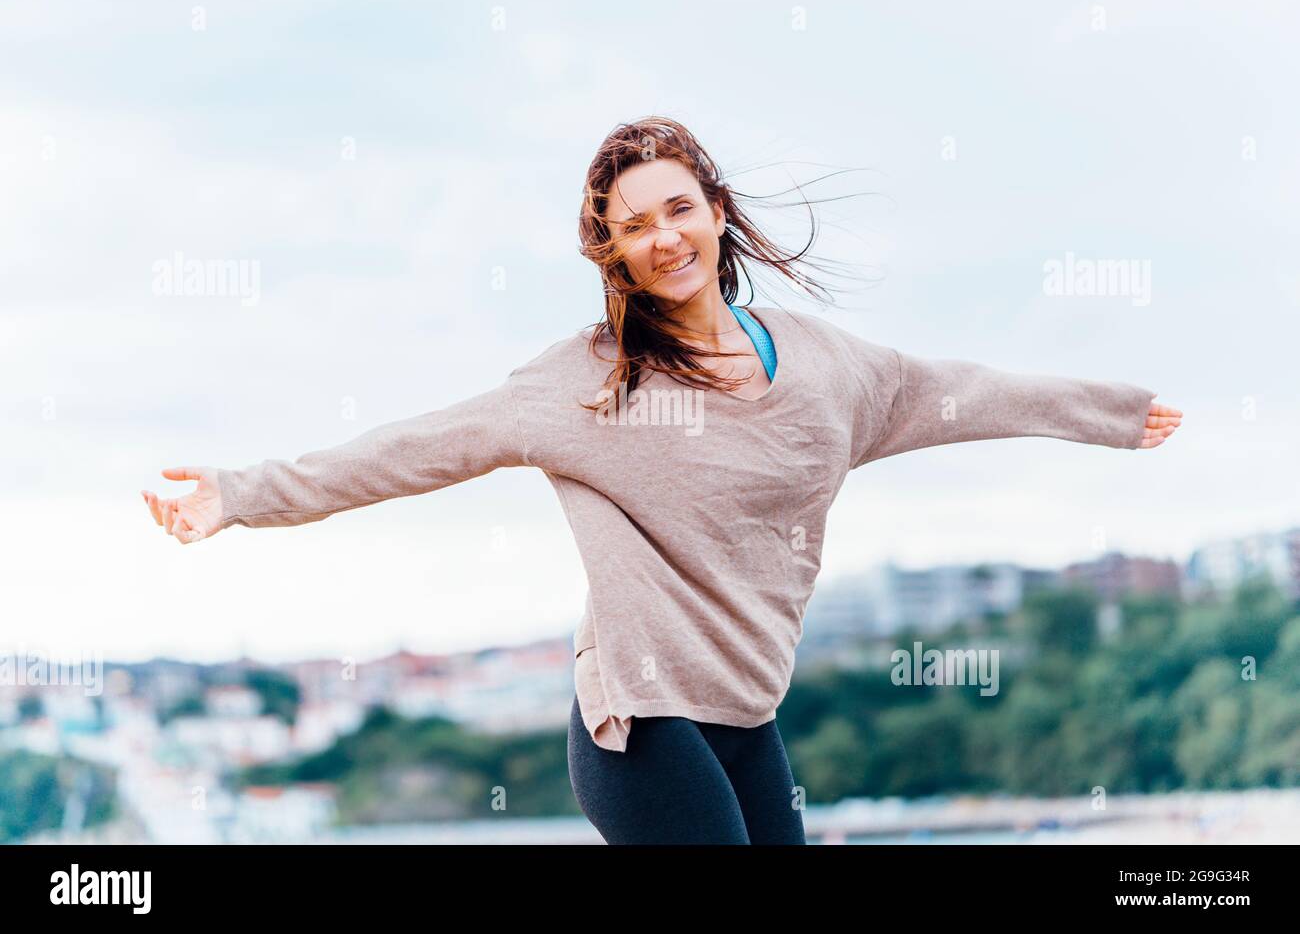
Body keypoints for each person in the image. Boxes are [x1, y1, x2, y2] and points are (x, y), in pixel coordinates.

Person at [141, 116, 1182, 844]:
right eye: (634, 225)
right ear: (616, 252)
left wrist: (1110, 410)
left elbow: (962, 389)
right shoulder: (585, 384)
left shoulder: (829, 368)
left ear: (716, 210)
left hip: (748, 712)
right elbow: (419, 445)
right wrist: (239, 492)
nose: (663, 236)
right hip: (638, 720)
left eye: (677, 209)